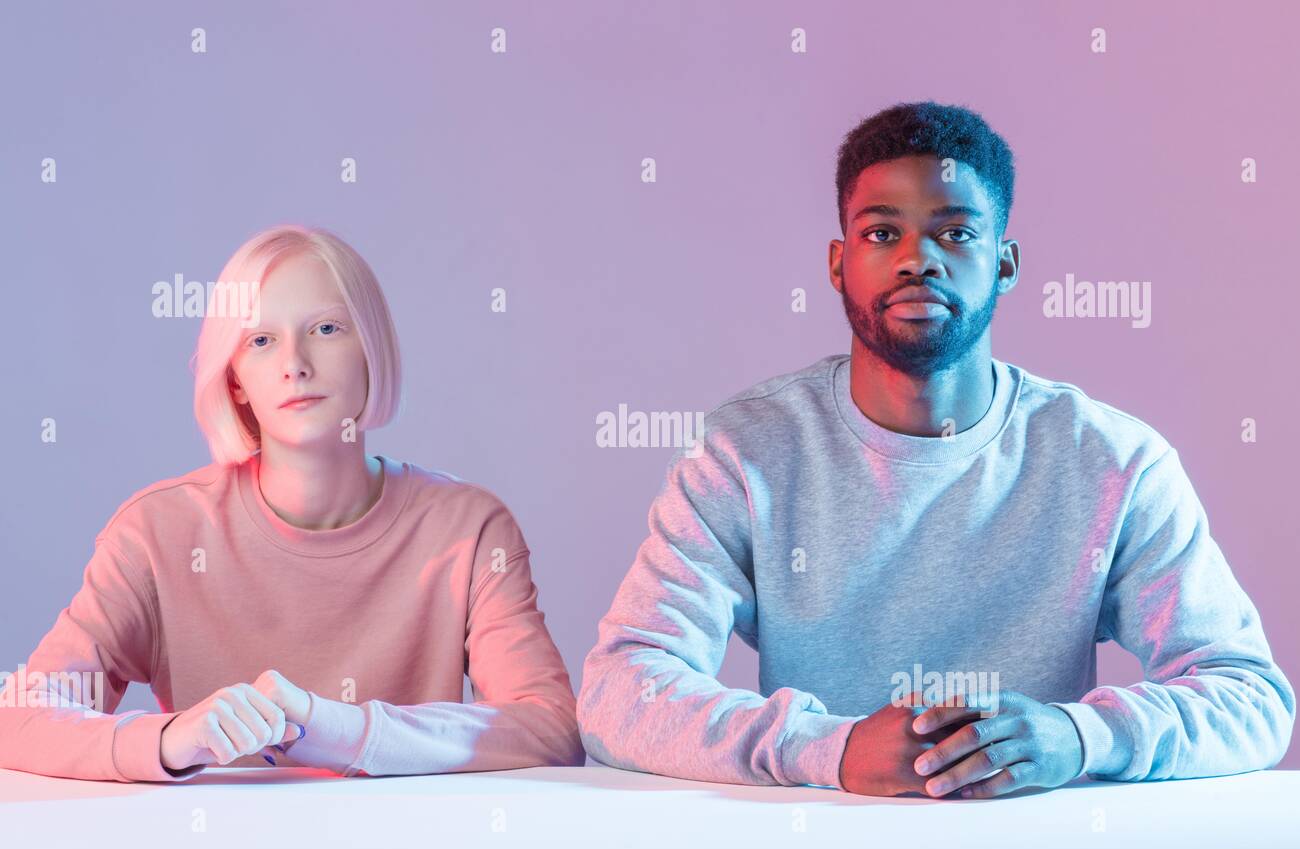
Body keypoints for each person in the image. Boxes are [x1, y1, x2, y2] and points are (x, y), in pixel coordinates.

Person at [576, 101, 1295, 798]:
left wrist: (1080, 737)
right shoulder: (745, 452)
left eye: (955, 234)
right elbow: (620, 692)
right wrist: (831, 748)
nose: (918, 260)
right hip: (814, 842)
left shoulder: (1113, 461)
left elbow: (1251, 698)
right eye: (882, 234)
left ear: (1006, 264)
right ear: (837, 264)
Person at [0, 225, 584, 781]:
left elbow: (549, 726)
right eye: (260, 340)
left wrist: (344, 730)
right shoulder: (156, 532)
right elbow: (18, 717)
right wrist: (168, 740)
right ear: (234, 382)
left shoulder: (470, 529)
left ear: (371, 349)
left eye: (326, 329)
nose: (294, 364)